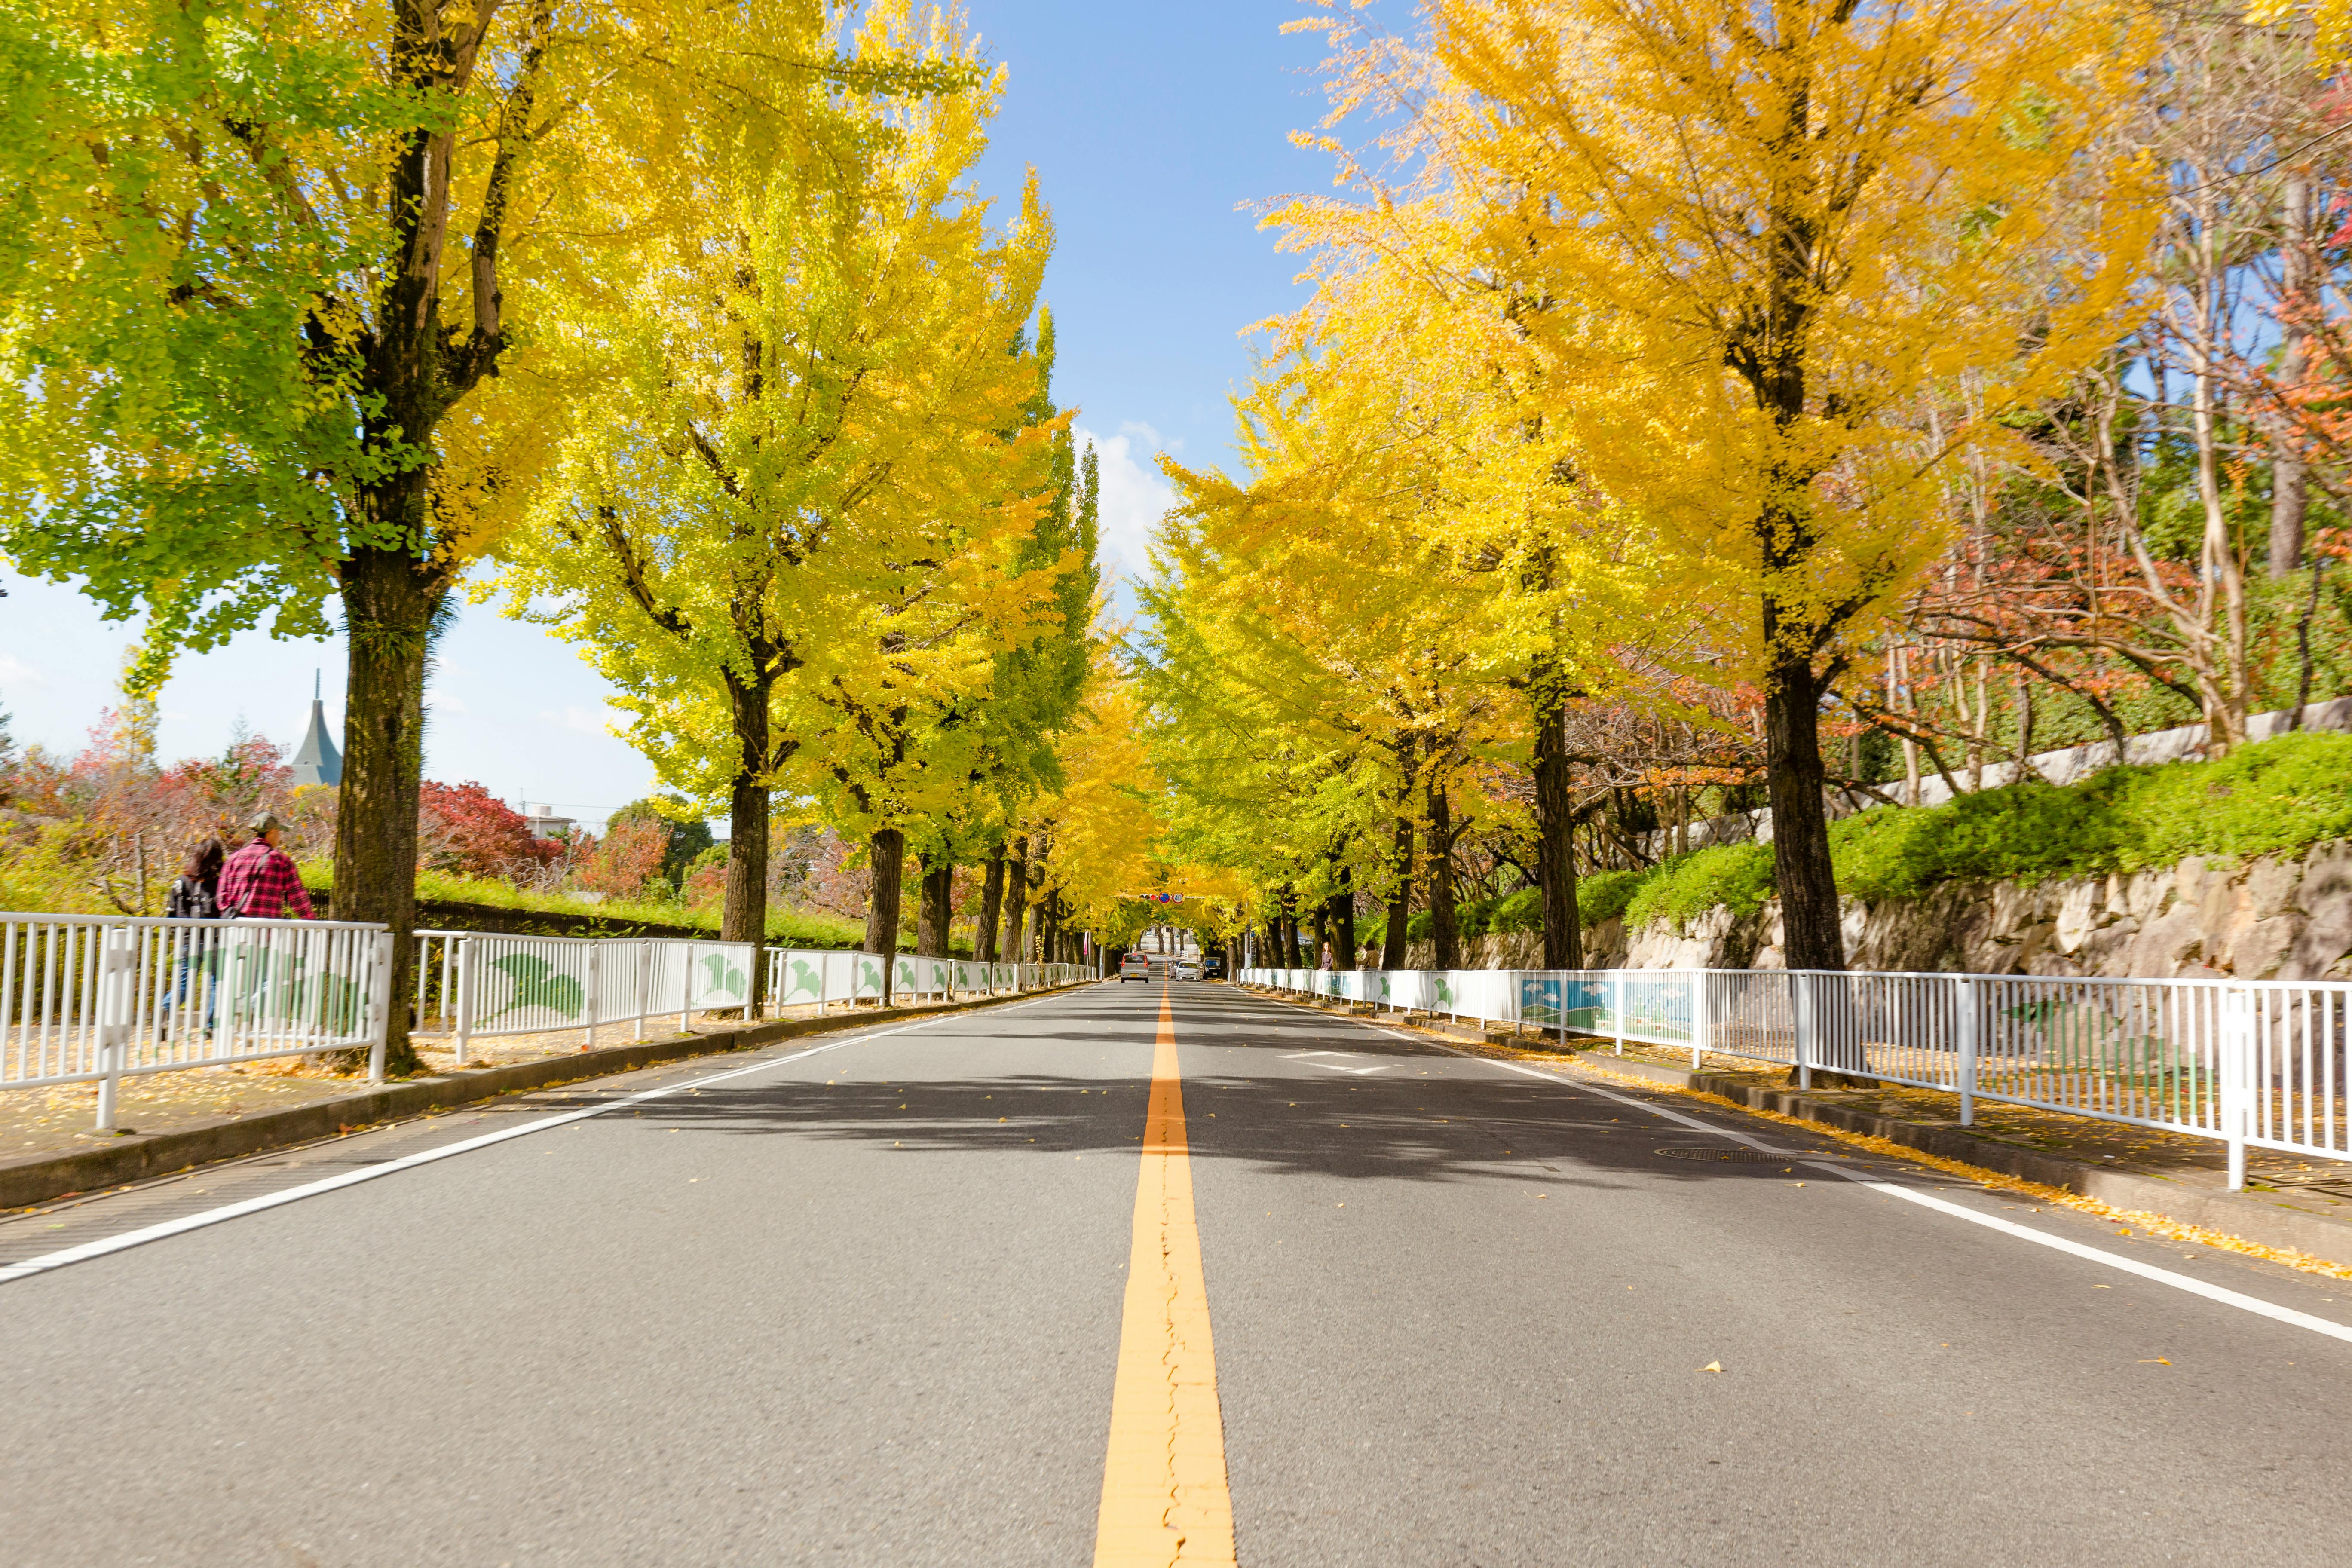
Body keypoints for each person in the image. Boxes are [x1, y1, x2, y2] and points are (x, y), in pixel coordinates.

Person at [165, 838, 226, 1025]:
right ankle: (210, 1025)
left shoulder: (181, 881)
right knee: (217, 984)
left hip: (187, 940)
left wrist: (175, 935)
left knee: (183, 985)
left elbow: (171, 912)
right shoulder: (222, 881)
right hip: (215, 938)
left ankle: (165, 1009)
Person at [217, 812, 315, 921]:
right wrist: (313, 923)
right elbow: (299, 899)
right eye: (278, 832)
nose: (280, 836)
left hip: (237, 928)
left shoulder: (232, 860)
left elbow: (222, 898)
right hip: (268, 930)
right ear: (271, 833)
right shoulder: (281, 861)